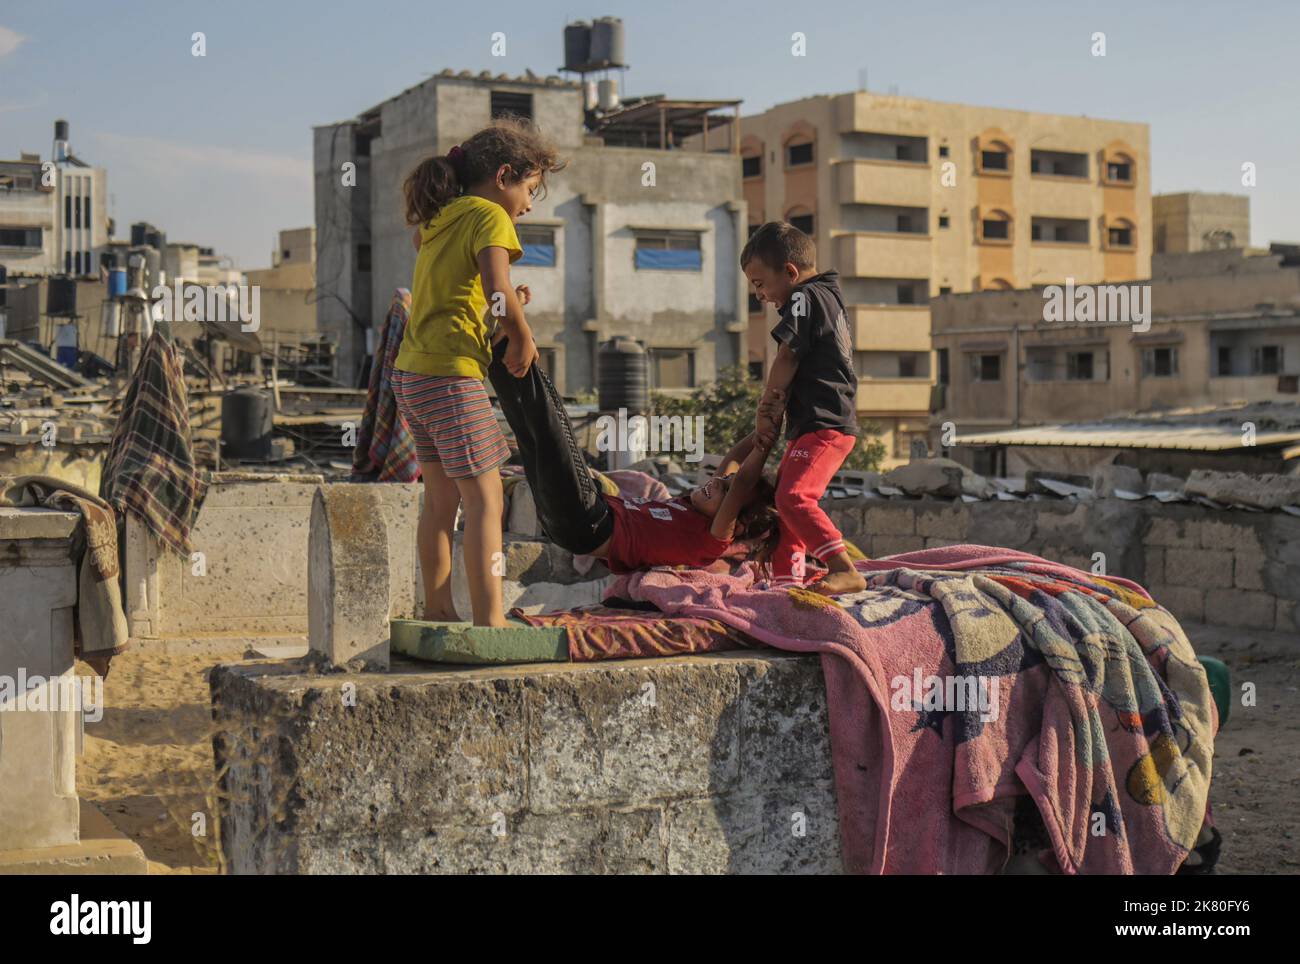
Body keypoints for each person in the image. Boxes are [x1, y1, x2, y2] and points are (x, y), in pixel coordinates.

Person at [393, 117, 564, 626]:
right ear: (503, 176)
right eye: (529, 190)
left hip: (411, 373)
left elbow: (469, 301)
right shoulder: (490, 218)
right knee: (487, 495)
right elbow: (495, 286)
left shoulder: (437, 221)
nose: (529, 204)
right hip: (449, 376)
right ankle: (491, 620)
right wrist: (522, 331)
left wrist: (507, 312)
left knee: (440, 499)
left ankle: (439, 611)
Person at [487, 336, 780, 573]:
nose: (717, 482)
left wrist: (767, 446)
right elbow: (732, 462)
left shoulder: (712, 538)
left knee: (551, 426)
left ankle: (506, 342)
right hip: (577, 519)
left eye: (725, 491)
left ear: (736, 524)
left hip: (588, 523)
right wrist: (761, 429)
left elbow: (740, 484)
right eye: (723, 480)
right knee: (532, 433)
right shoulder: (695, 507)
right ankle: (495, 356)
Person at [743, 221, 866, 595]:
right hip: (820, 424)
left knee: (794, 497)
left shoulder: (804, 297)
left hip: (824, 424)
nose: (760, 296)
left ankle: (844, 569)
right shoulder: (828, 296)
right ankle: (786, 582)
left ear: (791, 273)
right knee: (787, 505)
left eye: (761, 284)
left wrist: (767, 407)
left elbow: (788, 354)